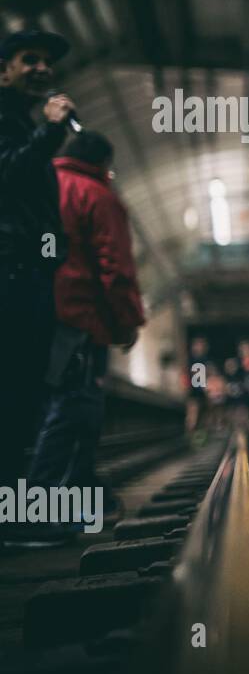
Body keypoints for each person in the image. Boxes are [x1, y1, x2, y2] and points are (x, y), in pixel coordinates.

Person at [20, 129, 144, 546]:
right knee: (76, 408)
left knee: (45, 408)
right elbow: (115, 266)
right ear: (102, 162)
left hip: (36, 313)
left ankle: (60, 508)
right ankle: (37, 516)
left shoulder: (39, 182)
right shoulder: (95, 194)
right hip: (80, 316)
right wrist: (126, 321)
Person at [0, 29, 72, 499]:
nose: (42, 68)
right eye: (30, 59)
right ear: (3, 70)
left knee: (21, 398)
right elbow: (8, 176)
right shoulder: (16, 125)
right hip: (9, 274)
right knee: (10, 396)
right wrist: (49, 132)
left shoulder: (23, 124)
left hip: (28, 275)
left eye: (47, 61)